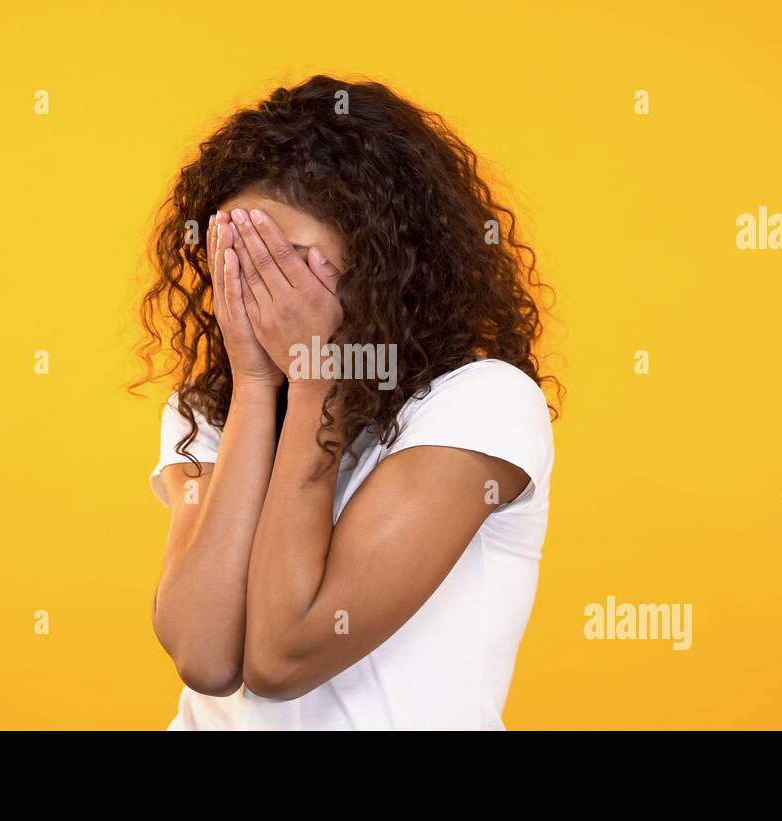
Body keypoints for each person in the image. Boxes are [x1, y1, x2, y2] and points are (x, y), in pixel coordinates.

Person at [139, 75, 558, 729]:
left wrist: (317, 380)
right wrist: (256, 387)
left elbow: (282, 656)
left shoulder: (480, 405)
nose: (256, 287)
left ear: (382, 261)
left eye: (287, 260)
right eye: (235, 258)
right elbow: (204, 655)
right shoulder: (209, 407)